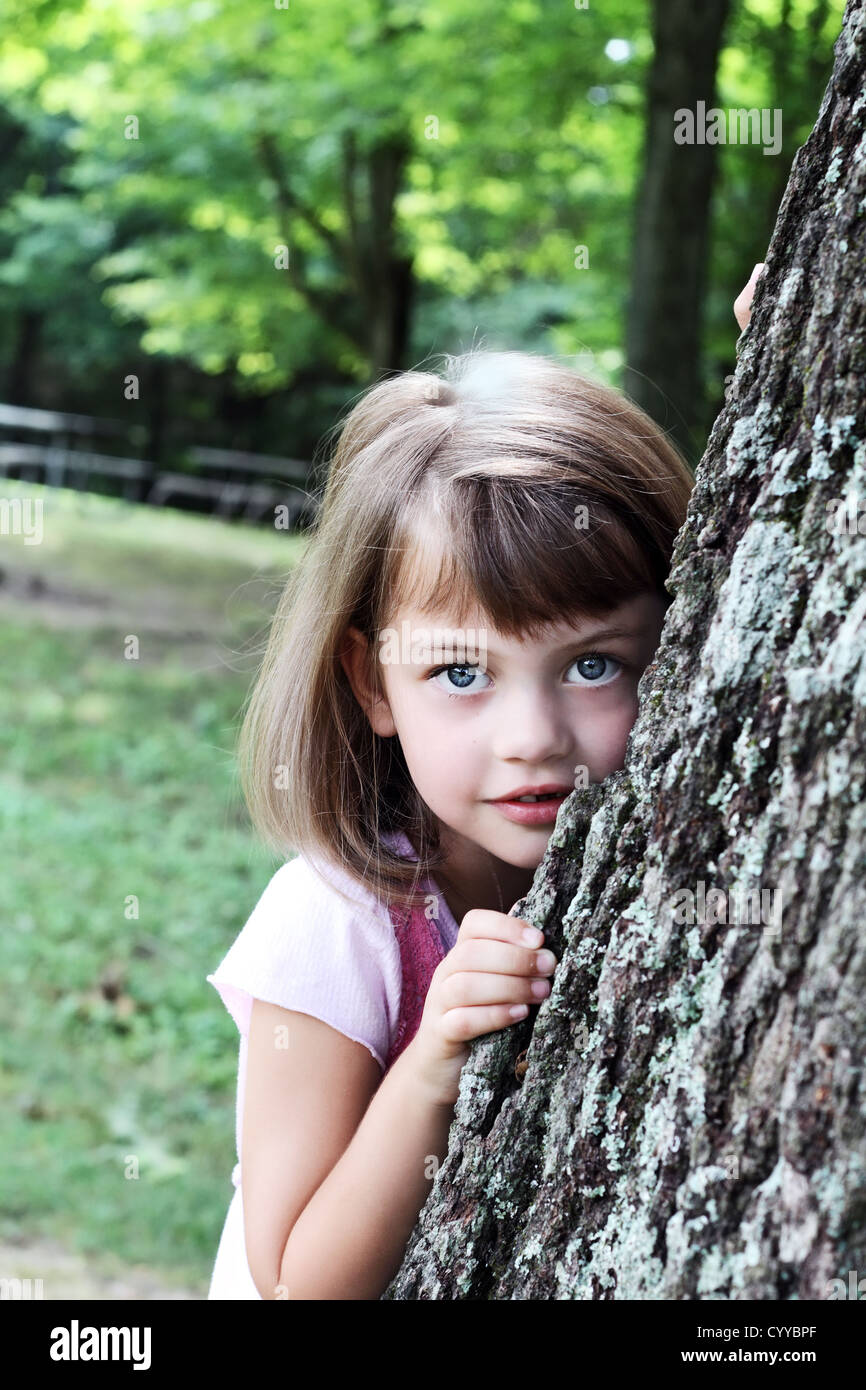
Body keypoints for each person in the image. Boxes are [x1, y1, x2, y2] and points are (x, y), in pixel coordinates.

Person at [205, 273, 761, 1300]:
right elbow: (295, 1288)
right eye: (460, 673)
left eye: (593, 664)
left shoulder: (660, 858)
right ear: (373, 683)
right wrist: (431, 1065)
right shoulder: (337, 922)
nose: (531, 739)